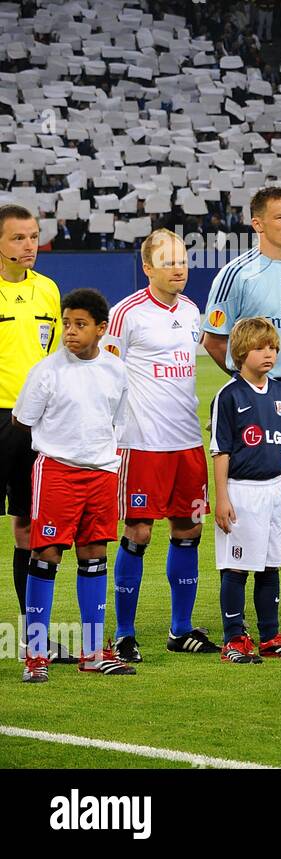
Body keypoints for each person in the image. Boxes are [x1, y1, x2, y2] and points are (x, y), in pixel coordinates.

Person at [201, 186, 281, 637]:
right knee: (254, 494)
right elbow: (214, 338)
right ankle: (242, 615)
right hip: (260, 395)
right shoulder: (237, 274)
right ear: (258, 224)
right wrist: (248, 384)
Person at [104, 229, 216, 661]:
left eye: (183, 259)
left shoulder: (191, 310)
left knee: (188, 530)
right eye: (168, 261)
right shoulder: (125, 314)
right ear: (147, 268)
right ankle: (125, 634)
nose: (179, 268)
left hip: (187, 442)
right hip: (141, 443)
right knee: (138, 531)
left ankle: (181, 629)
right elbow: (105, 376)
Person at [14, 289, 132, 682]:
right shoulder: (46, 371)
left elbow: (117, 421)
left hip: (101, 473)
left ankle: (94, 652)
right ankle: (35, 655)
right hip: (58, 472)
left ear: (102, 329)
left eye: (80, 325)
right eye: (66, 323)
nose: (70, 331)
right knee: (45, 555)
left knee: (94, 554)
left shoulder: (115, 370)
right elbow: (23, 419)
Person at [210, 317, 281, 663]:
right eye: (259, 348)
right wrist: (221, 496)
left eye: (272, 347)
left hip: (272, 491)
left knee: (271, 564)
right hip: (241, 491)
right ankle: (233, 638)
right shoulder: (229, 395)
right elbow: (221, 451)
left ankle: (269, 635)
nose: (268, 354)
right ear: (240, 352)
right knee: (236, 567)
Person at [0, 204, 64, 657]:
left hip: (34, 424)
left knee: (28, 526)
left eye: (33, 236)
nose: (28, 246)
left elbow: (57, 359)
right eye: (18, 238)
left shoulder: (49, 291)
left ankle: (31, 636)